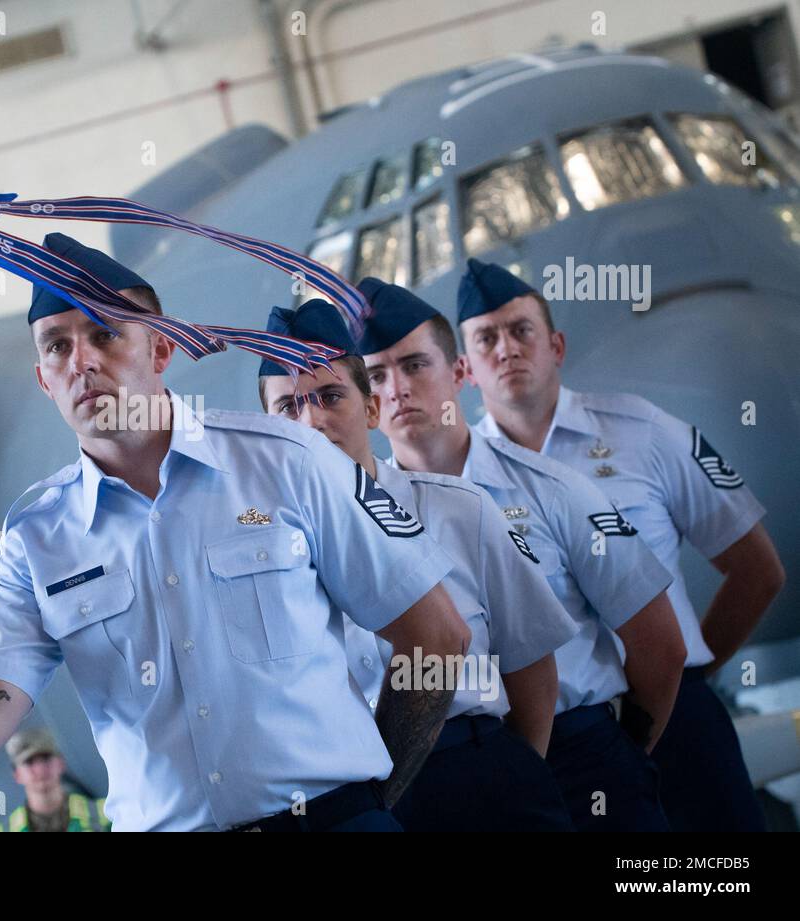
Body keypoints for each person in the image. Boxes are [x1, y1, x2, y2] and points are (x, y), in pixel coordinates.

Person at [0, 234, 468, 832]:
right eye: (57, 345)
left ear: (162, 346)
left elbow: (436, 635)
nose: (81, 360)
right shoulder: (38, 537)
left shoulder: (286, 461)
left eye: (105, 334)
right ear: (43, 379)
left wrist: (379, 793)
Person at [458, 257, 785, 832]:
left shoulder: (642, 432)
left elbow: (757, 568)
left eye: (521, 330)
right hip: (565, 739)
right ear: (465, 370)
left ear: (556, 345)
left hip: (679, 718)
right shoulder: (459, 486)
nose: (506, 349)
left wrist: (690, 676)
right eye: (487, 339)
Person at [357, 277, 688, 832]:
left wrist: (619, 752)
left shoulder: (552, 488)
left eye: (415, 365)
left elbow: (660, 644)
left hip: (581, 760)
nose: (397, 389)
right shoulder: (359, 523)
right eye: (376, 376)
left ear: (460, 373)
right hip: (457, 780)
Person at [258, 297, 576, 831]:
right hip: (348, 802)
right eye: (289, 407)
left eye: (330, 396)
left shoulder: (460, 510)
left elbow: (531, 667)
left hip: (476, 773)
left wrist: (504, 773)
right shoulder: (256, 551)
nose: (311, 421)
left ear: (372, 409)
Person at [0, 727, 110, 831]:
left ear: (61, 764)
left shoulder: (108, 814)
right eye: (29, 762)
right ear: (17, 775)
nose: (40, 770)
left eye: (46, 758)